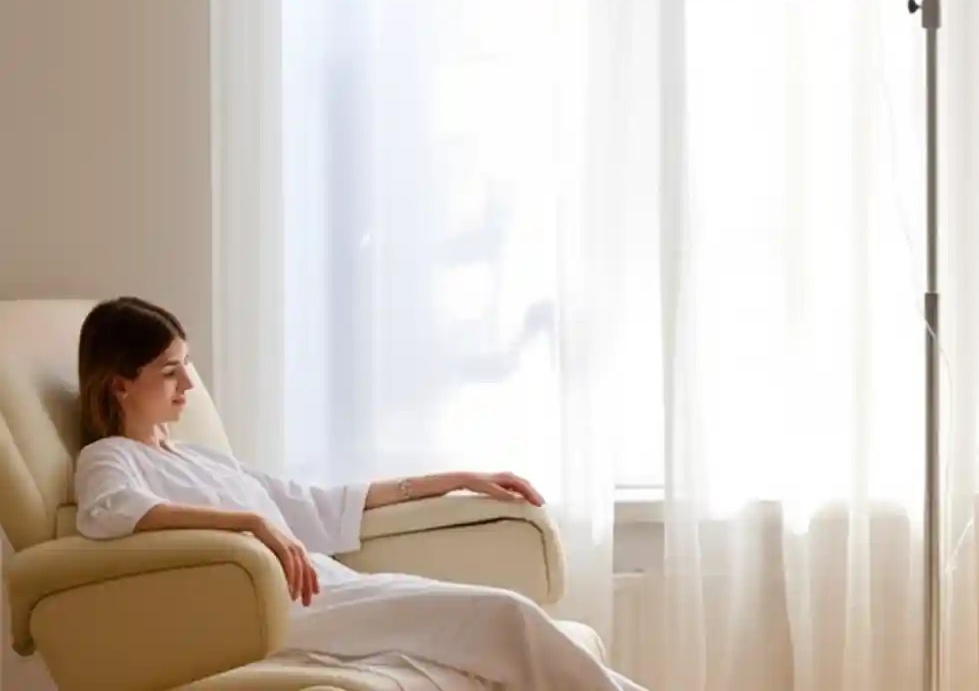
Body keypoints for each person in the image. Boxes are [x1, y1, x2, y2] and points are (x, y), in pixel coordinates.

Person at [74, 296, 644, 691]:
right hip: (283, 610)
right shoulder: (109, 458)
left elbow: (321, 504)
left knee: (495, 636)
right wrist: (250, 524)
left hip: (337, 588)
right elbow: (107, 514)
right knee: (504, 617)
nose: (189, 386)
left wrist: (461, 478)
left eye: (187, 366)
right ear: (122, 384)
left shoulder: (196, 457)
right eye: (171, 372)